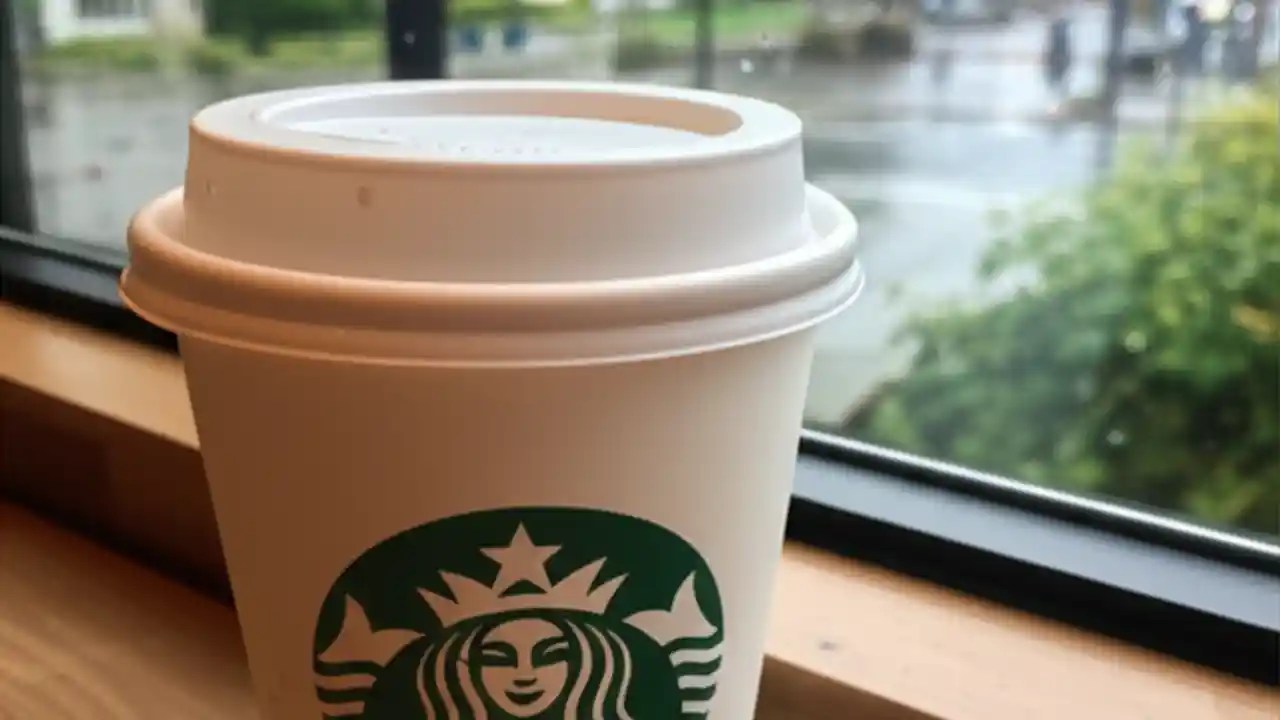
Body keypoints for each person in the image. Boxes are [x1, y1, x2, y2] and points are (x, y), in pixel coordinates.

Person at [1043, 9, 1074, 108]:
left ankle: (1059, 104)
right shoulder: (1059, 28)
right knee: (1057, 83)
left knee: (1058, 83)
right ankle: (1058, 104)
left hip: (1059, 58)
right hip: (1058, 58)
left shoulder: (1059, 28)